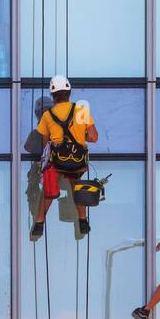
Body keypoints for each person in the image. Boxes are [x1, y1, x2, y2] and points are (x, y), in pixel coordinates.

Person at [30, 76, 98, 240]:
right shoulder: (81, 111)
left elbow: (46, 143)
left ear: (53, 95)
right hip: (76, 161)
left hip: (56, 161)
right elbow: (94, 137)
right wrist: (81, 137)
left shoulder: (47, 116)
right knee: (78, 189)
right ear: (69, 92)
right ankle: (82, 220)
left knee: (49, 193)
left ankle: (39, 223)